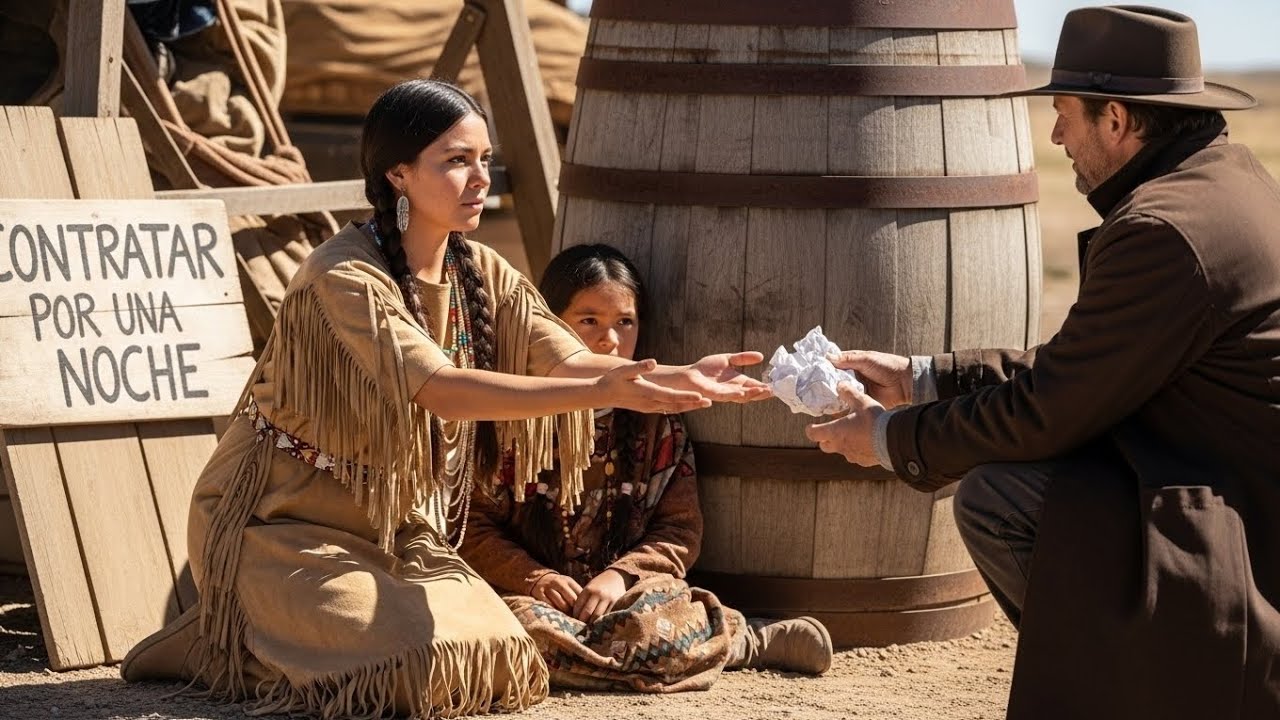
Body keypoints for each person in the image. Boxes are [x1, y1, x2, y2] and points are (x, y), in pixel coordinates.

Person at [119, 79, 770, 718]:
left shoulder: (479, 270)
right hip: (283, 527)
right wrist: (604, 386)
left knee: (499, 654)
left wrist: (672, 376)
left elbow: (564, 356)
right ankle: (223, 641)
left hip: (394, 528)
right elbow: (443, 391)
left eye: (485, 159)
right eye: (457, 161)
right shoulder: (342, 275)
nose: (480, 178)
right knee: (410, 667)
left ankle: (268, 636)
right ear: (398, 174)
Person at [805, 7, 1280, 719]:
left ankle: (1128, 691)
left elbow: (1050, 411)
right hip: (1215, 478)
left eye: (1064, 115)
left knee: (999, 499)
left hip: (1239, 524)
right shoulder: (1220, 181)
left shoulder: (1162, 230)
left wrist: (886, 438)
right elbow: (1086, 367)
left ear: (1116, 119)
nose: (1056, 136)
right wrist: (919, 378)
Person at [459, 244, 834, 692]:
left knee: (654, 615)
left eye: (625, 322)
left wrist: (620, 576)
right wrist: (535, 578)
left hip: (630, 601)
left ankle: (599, 661)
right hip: (533, 600)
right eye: (589, 320)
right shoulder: (513, 415)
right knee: (508, 629)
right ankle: (733, 642)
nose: (610, 340)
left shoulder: (658, 423)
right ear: (549, 326)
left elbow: (678, 531)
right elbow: (470, 525)